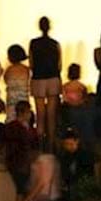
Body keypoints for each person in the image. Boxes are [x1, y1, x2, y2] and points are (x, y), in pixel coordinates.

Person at [28, 17, 62, 149]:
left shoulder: (33, 43)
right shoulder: (55, 44)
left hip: (38, 78)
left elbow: (31, 64)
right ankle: (51, 143)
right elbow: (59, 65)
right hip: (53, 78)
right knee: (51, 114)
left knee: (40, 113)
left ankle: (40, 143)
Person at [2, 101, 39, 197]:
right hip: (19, 163)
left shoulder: (28, 128)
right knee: (21, 192)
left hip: (24, 163)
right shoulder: (14, 128)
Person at [56, 128, 93, 201]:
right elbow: (64, 173)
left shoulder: (84, 155)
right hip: (69, 189)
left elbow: (88, 173)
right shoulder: (65, 156)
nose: (68, 146)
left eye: (70, 144)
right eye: (66, 144)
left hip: (82, 189)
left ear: (77, 141)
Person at [3, 46, 32, 123]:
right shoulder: (26, 69)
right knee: (24, 120)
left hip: (11, 98)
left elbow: (5, 80)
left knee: (11, 119)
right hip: (24, 98)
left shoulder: (9, 70)